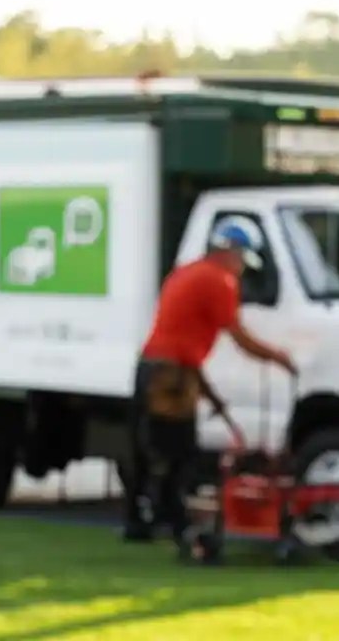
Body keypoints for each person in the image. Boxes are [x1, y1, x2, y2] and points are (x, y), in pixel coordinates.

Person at [123, 215, 297, 548]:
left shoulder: (185, 272)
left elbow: (182, 343)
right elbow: (239, 338)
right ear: (231, 251)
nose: (242, 269)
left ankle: (139, 521)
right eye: (242, 260)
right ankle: (175, 521)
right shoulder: (219, 281)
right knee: (180, 452)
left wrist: (211, 395)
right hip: (171, 377)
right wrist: (279, 358)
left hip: (152, 367)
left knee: (150, 450)